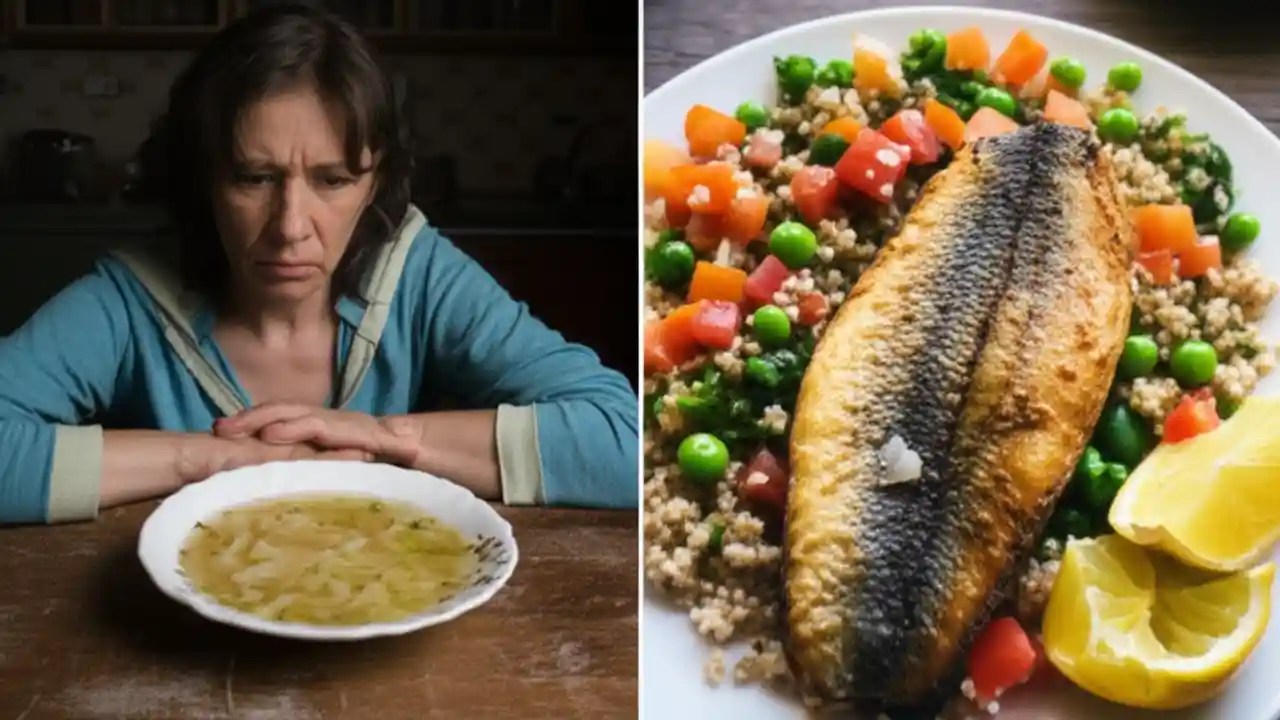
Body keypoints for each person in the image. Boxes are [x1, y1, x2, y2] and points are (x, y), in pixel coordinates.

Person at [0, 3, 637, 525]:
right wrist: (211, 459)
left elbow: (622, 439)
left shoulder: (418, 275)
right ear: (201, 179)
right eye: (253, 177)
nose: (290, 227)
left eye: (332, 180)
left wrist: (381, 437)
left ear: (374, 182)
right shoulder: (129, 299)